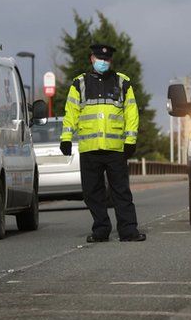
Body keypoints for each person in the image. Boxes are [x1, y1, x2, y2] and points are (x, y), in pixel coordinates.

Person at [60, 44, 146, 242]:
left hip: (115, 149)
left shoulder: (123, 82)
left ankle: (128, 230)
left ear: (111, 61)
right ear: (92, 58)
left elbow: (131, 113)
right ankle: (101, 230)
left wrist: (130, 140)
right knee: (92, 193)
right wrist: (66, 138)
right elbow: (71, 112)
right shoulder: (79, 84)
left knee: (121, 192)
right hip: (90, 149)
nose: (103, 62)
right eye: (100, 58)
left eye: (107, 59)